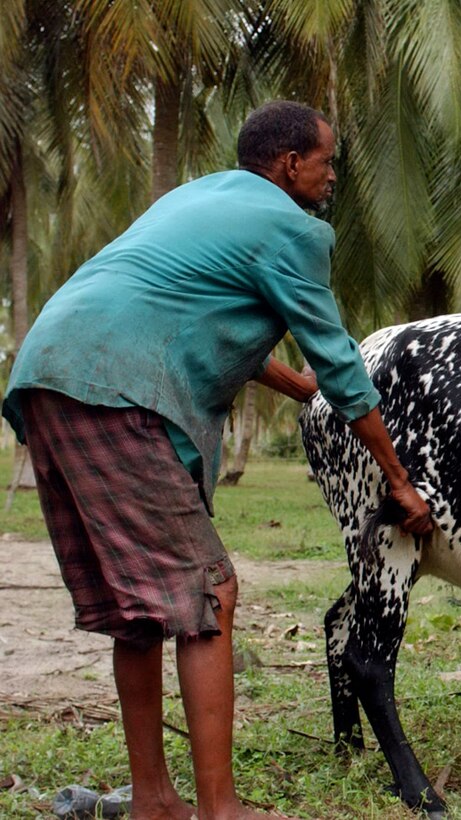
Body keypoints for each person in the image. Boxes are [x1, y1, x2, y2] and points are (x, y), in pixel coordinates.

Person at [2, 100, 433, 820]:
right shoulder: (294, 228)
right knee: (211, 593)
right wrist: (398, 479)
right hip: (116, 389)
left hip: (51, 375)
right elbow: (339, 362)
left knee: (137, 610)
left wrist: (293, 387)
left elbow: (185, 311)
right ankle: (220, 809)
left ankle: (154, 801)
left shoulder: (197, 198)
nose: (332, 176)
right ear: (290, 164)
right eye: (326, 162)